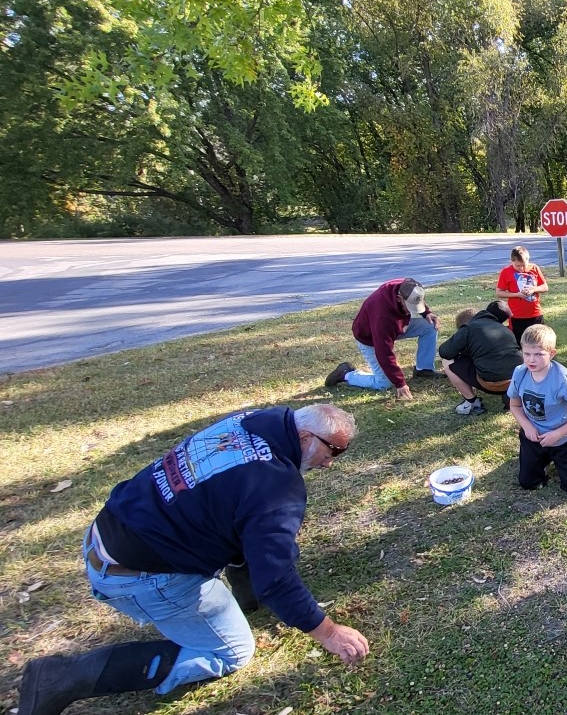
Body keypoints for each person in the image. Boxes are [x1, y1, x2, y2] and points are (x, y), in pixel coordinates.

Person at [17, 405, 369, 715]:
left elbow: (235, 514)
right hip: (139, 573)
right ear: (305, 436)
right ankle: (61, 677)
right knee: (233, 651)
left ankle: (245, 598)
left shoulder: (253, 420)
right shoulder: (277, 487)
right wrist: (328, 632)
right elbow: (275, 576)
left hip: (108, 531)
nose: (330, 463)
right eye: (333, 451)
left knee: (256, 534)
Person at [507, 324, 567, 494]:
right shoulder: (519, 373)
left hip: (563, 438)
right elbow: (514, 405)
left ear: (552, 354)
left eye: (539, 354)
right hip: (534, 436)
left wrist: (557, 434)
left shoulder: (563, 380)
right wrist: (527, 426)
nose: (531, 360)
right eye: (527, 354)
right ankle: (542, 457)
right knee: (528, 483)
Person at [325, 277, 441, 401]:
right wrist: (400, 383)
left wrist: (426, 313)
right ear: (399, 298)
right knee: (384, 383)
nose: (410, 311)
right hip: (369, 337)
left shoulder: (408, 286)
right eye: (409, 307)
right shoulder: (382, 317)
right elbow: (384, 353)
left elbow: (417, 300)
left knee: (430, 326)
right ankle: (346, 374)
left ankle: (424, 369)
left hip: (397, 325)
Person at [438, 301, 523, 415]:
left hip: (492, 384)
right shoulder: (504, 328)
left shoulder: (469, 328)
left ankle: (472, 403)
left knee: (447, 362)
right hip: (518, 380)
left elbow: (445, 352)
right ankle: (510, 397)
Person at [495, 246, 549, 346]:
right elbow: (499, 292)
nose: (521, 268)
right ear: (512, 261)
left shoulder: (534, 268)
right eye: (518, 266)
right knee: (520, 343)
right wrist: (517, 295)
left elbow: (545, 287)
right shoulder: (506, 272)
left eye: (524, 265)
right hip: (517, 315)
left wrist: (533, 289)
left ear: (528, 259)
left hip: (535, 313)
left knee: (539, 342)